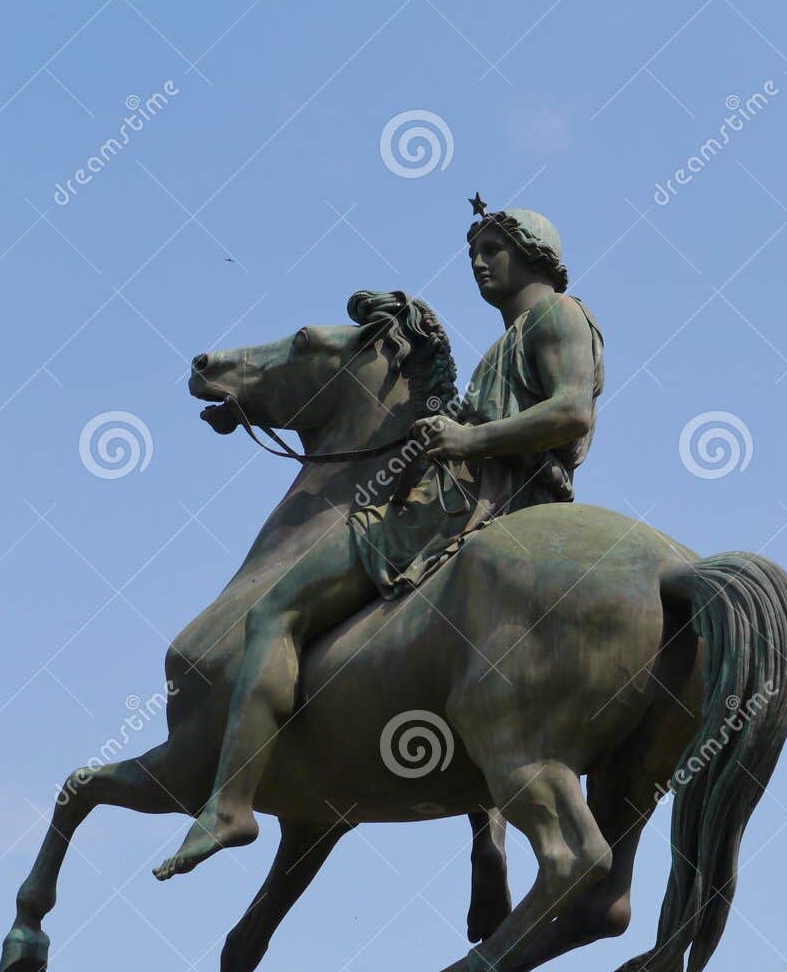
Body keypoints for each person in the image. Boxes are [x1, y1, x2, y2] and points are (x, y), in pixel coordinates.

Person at [154, 198, 605, 880]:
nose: (480, 262)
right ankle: (488, 834)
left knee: (276, 609)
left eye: (493, 248)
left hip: (472, 506)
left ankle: (231, 803)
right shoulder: (511, 338)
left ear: (535, 254)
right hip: (488, 499)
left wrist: (467, 437)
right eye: (474, 251)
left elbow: (571, 411)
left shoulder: (554, 316)